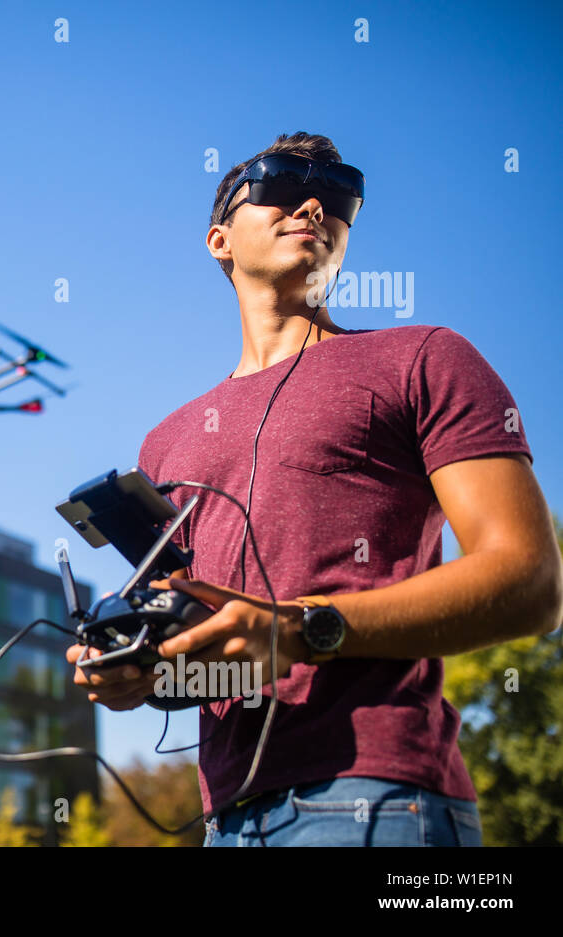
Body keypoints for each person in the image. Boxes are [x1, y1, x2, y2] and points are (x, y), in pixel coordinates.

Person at [67, 132, 563, 846]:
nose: (310, 205)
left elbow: (531, 581)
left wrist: (302, 628)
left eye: (334, 200)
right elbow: (205, 642)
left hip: (376, 796)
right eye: (277, 188)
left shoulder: (423, 358)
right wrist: (135, 671)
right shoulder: (166, 440)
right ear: (219, 240)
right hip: (224, 821)